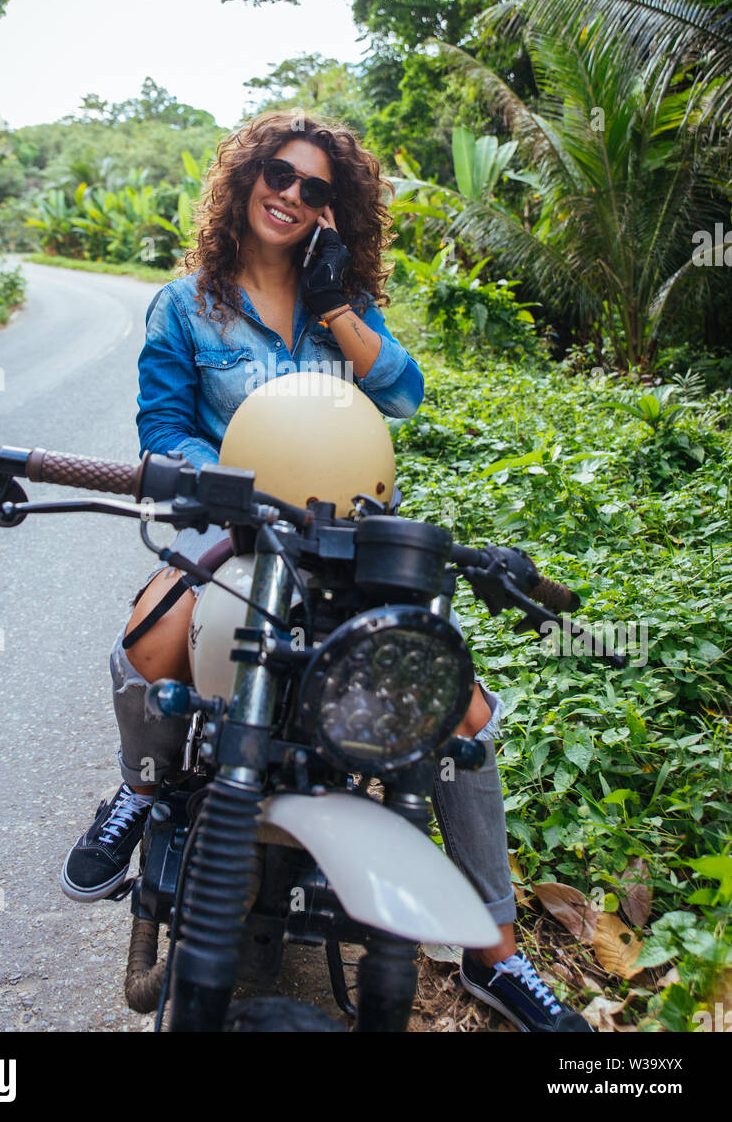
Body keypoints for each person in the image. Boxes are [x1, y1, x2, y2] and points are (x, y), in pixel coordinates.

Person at [60, 111, 590, 1033]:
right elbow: (162, 431)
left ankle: (493, 953)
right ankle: (139, 791)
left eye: (315, 189)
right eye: (277, 173)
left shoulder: (338, 302)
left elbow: (401, 394)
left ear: (331, 213)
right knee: (148, 643)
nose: (290, 195)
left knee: (457, 711)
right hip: (233, 528)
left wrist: (338, 302)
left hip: (340, 543)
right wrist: (239, 485)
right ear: (245, 178)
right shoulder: (186, 305)